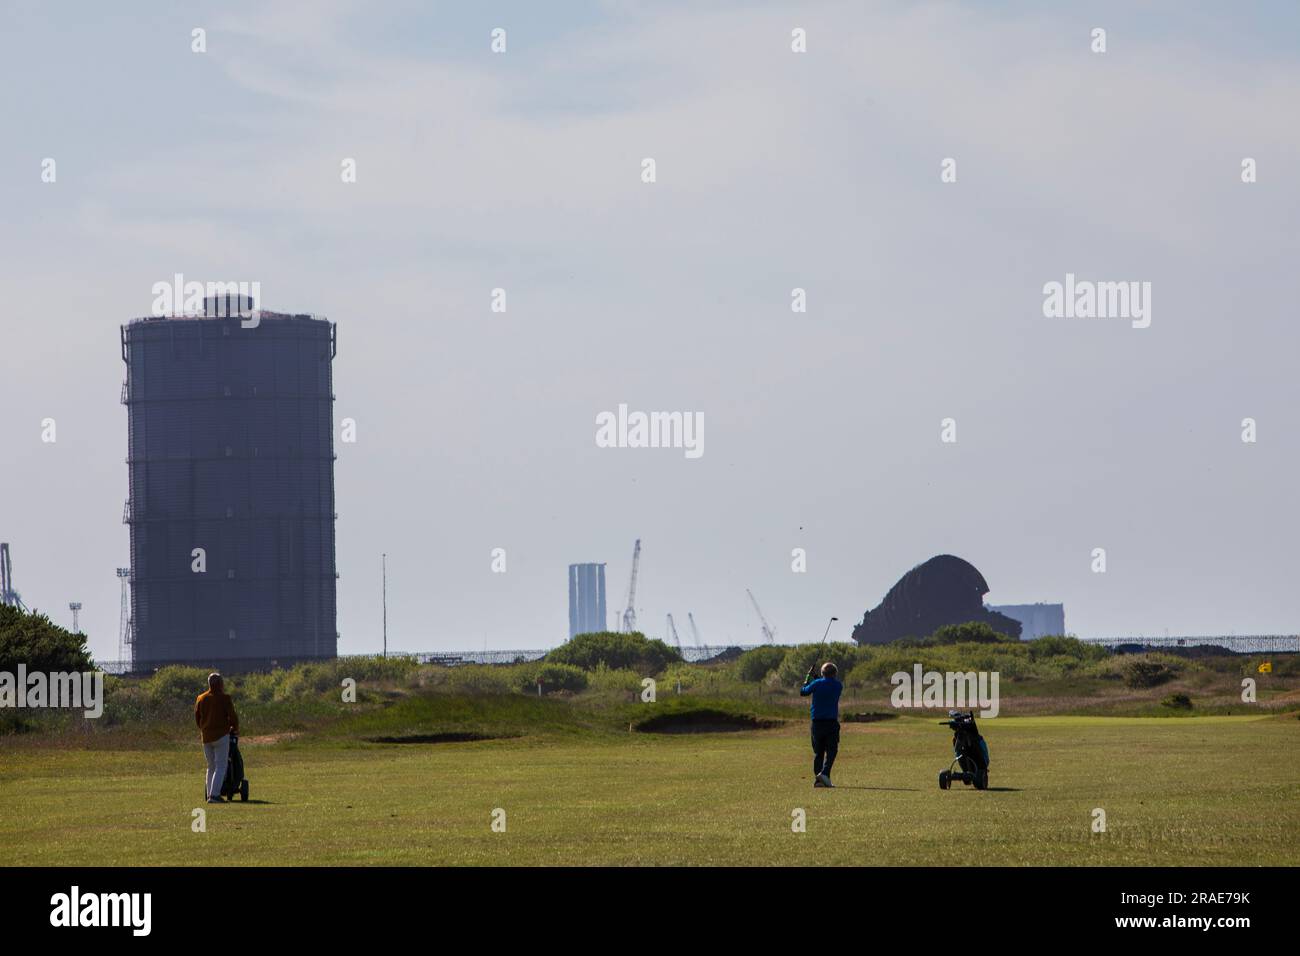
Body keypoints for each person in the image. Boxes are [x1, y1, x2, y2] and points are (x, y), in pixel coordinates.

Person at [195, 673, 240, 804]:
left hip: (206, 736)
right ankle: (215, 795)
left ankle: (209, 794)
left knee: (211, 766)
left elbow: (197, 718)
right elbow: (232, 716)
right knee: (221, 766)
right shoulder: (224, 698)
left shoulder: (201, 698)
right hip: (221, 735)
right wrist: (235, 728)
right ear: (220, 684)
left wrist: (203, 728)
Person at [800, 661, 842, 788]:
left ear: (823, 673)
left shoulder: (816, 684)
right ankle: (824, 774)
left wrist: (807, 679)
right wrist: (816, 677)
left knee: (819, 752)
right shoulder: (838, 685)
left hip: (817, 723)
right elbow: (826, 684)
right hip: (831, 723)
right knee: (832, 750)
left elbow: (803, 692)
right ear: (835, 673)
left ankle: (819, 779)